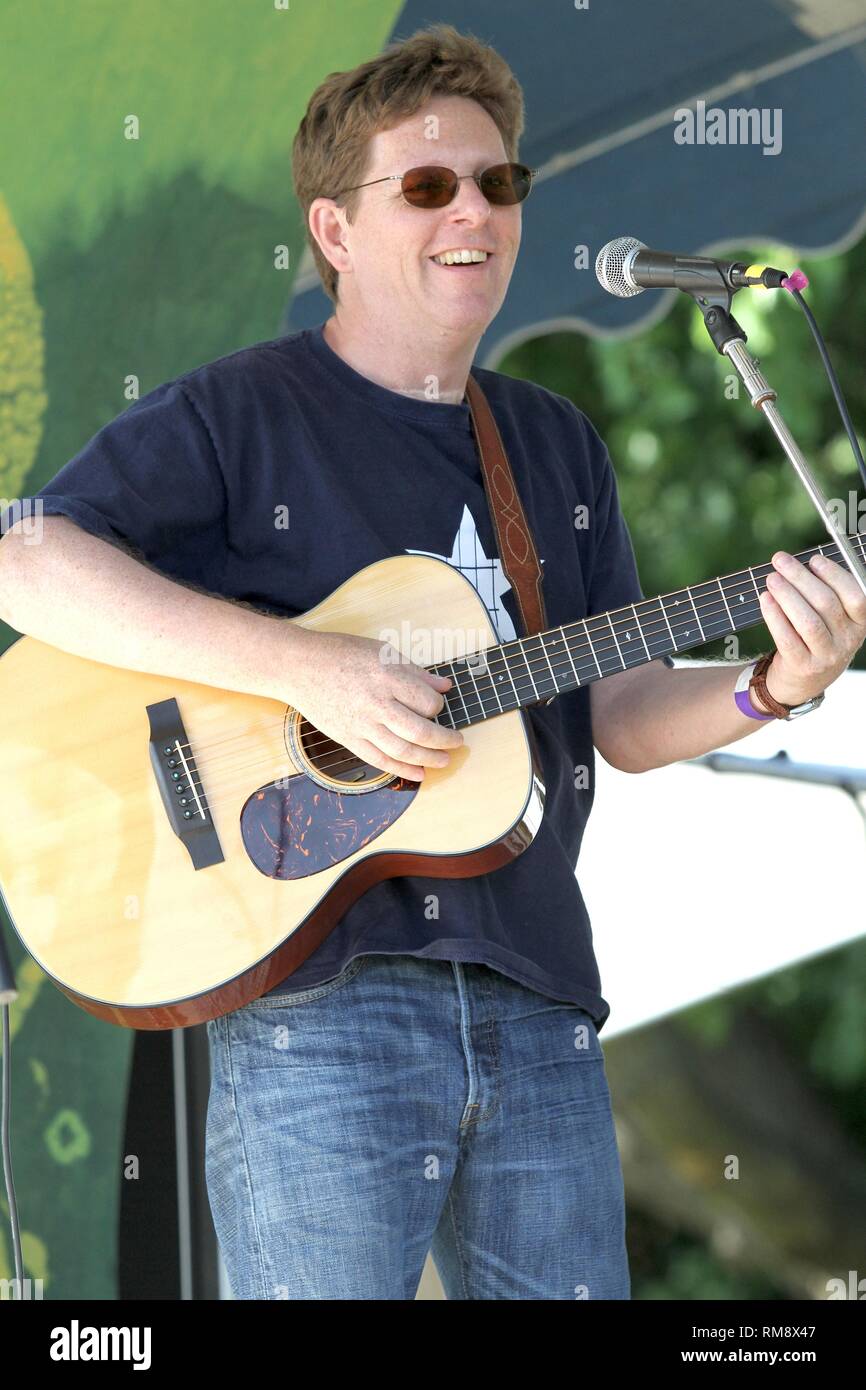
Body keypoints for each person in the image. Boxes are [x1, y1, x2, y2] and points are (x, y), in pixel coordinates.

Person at [1, 24, 862, 1301]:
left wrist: (770, 685)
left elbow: (614, 713)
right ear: (335, 232)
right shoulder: (242, 413)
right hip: (318, 1014)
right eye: (427, 185)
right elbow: (28, 562)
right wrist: (305, 671)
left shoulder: (550, 446)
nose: (476, 209)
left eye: (497, 183)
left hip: (541, 1007)